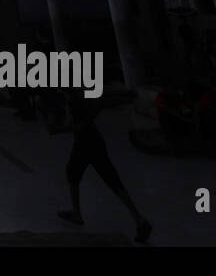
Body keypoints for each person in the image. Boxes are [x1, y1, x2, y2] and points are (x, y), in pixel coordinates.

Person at [56, 88, 152, 243]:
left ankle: (77, 213)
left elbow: (96, 106)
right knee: (105, 178)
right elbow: (98, 102)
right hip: (91, 141)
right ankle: (139, 219)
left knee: (77, 174)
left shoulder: (75, 96)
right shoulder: (74, 95)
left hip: (86, 143)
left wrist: (65, 128)